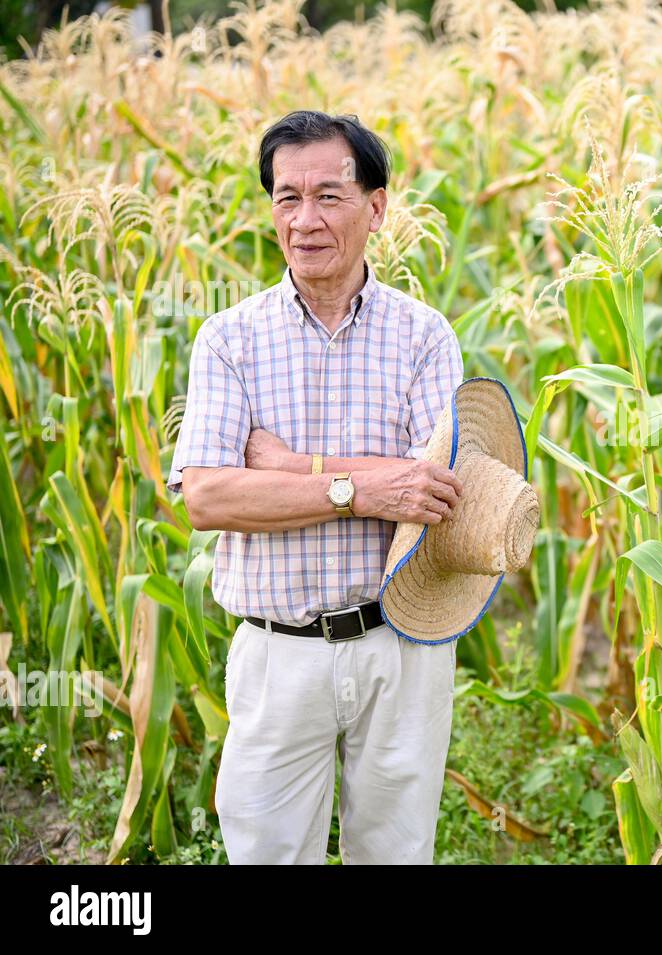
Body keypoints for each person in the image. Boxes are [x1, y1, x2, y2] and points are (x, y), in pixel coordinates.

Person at [166, 110, 464, 864]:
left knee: (395, 855)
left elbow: (431, 498)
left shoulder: (425, 337)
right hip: (277, 652)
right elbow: (206, 498)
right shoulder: (228, 339)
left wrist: (285, 462)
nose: (305, 220)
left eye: (329, 196)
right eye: (286, 198)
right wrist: (361, 489)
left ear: (376, 206)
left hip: (400, 644)